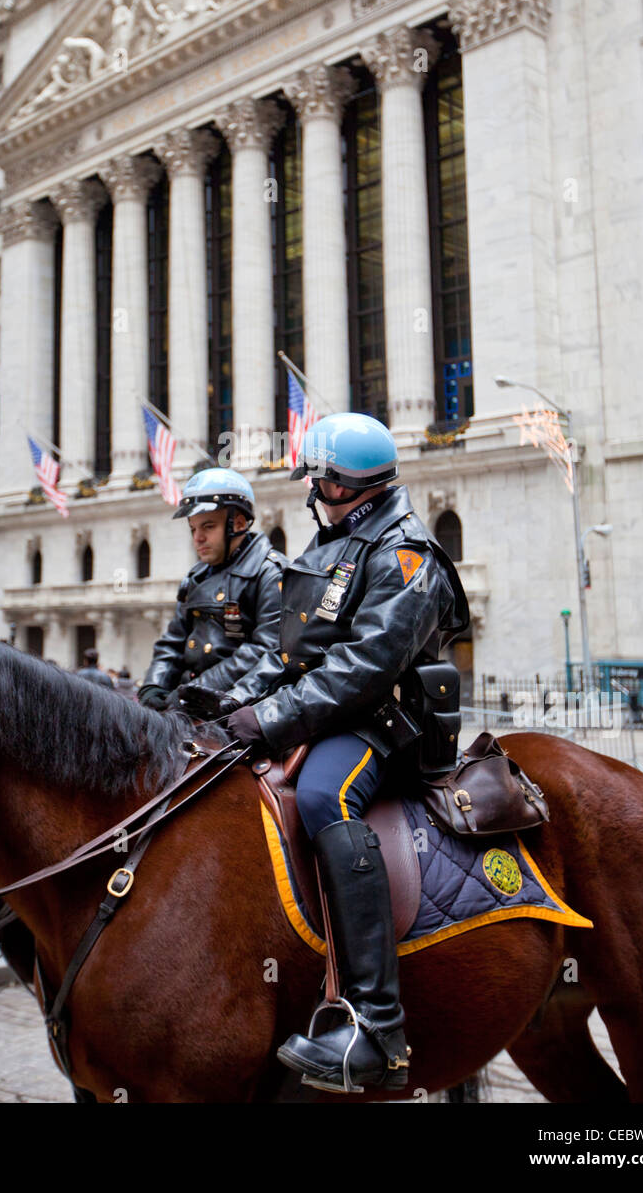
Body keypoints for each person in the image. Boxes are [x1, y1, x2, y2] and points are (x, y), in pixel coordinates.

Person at [205, 414, 469, 1093]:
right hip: (330, 714)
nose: (312, 490)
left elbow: (362, 670)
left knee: (325, 796)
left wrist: (269, 718)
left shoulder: (406, 554)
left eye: (318, 480)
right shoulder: (335, 542)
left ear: (346, 484)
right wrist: (224, 702)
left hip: (384, 723)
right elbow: (288, 653)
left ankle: (377, 1024)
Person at [137, 469, 286, 712]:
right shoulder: (195, 576)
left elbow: (266, 649)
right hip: (189, 702)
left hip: (241, 706)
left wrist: (194, 692)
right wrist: (153, 685)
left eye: (208, 526)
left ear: (238, 523)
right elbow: (172, 642)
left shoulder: (270, 572)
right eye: (193, 529)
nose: (198, 538)